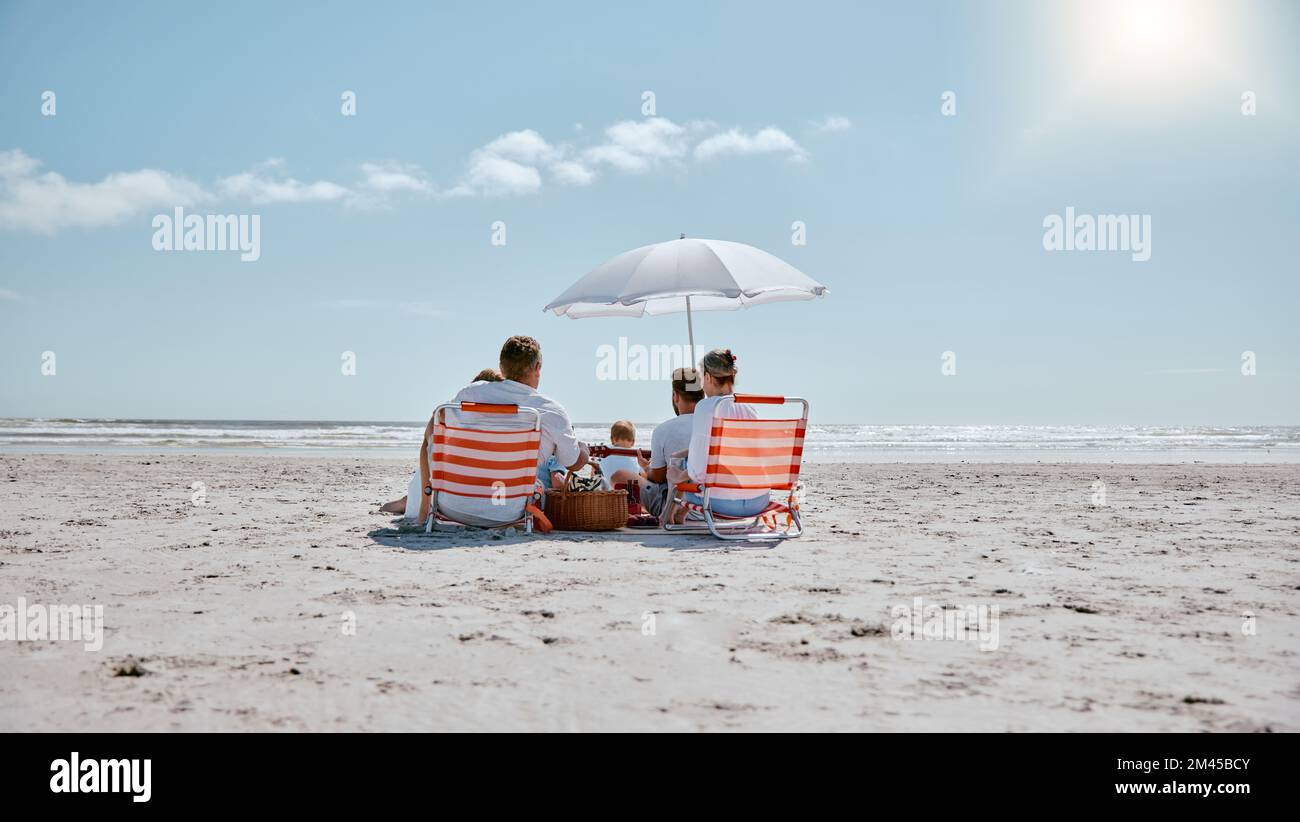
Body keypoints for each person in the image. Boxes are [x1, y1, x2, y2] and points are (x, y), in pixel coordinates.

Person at [405, 336, 589, 526]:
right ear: (537, 368)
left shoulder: (470, 393)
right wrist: (584, 451)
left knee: (433, 433)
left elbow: (436, 419)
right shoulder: (551, 410)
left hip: (452, 507)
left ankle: (424, 510)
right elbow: (572, 463)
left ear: (501, 368)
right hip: (507, 513)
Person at [665, 349, 768, 524]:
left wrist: (677, 476)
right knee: (690, 460)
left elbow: (697, 472)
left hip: (723, 503)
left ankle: (667, 516)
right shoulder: (749, 408)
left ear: (708, 378)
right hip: (759, 500)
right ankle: (680, 514)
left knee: (682, 465)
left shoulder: (707, 407)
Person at [596, 420, 643, 489]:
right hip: (629, 496)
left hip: (606, 496)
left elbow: (595, 477)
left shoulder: (603, 455)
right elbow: (643, 478)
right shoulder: (635, 458)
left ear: (612, 439)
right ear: (633, 442)